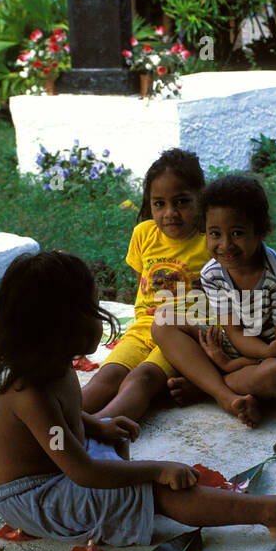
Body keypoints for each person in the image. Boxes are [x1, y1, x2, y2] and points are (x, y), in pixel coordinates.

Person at [0, 250, 276, 545]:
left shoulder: (53, 367)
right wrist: (157, 469)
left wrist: (96, 428)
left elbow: (61, 425)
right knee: (156, 488)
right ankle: (272, 513)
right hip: (38, 498)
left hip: (58, 470)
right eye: (92, 309)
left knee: (117, 443)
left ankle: (130, 503)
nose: (101, 318)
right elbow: (83, 471)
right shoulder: (31, 392)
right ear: (61, 325)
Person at [151, 174, 276, 428]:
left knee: (275, 374)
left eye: (237, 233)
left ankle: (206, 386)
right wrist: (232, 361)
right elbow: (234, 333)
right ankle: (225, 396)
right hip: (244, 349)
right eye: (215, 234)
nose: (225, 245)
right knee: (163, 321)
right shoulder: (213, 272)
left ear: (260, 230)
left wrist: (236, 362)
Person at [80, 149, 209, 422]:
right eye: (159, 203)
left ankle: (97, 431)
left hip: (182, 337)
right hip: (143, 329)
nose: (170, 213)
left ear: (202, 198)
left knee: (142, 378)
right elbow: (144, 281)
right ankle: (53, 427)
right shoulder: (143, 234)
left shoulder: (210, 241)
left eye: (182, 202)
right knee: (108, 375)